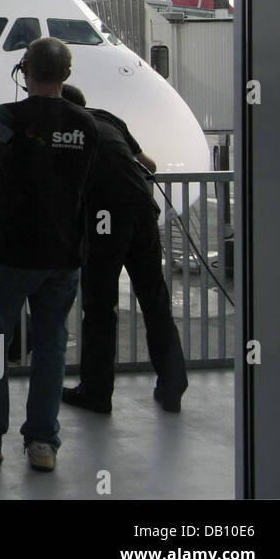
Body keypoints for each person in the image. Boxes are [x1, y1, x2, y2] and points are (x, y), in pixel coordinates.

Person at [0, 37, 98, 472]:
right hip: (63, 254)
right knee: (51, 348)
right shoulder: (85, 123)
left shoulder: (7, 115)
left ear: (25, 71)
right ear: (66, 74)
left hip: (10, 250)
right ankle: (42, 444)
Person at [58, 84, 187, 414]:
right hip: (142, 211)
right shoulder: (108, 118)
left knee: (100, 305)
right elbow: (149, 166)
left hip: (103, 217)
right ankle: (172, 385)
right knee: (155, 300)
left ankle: (96, 391)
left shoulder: (63, 127)